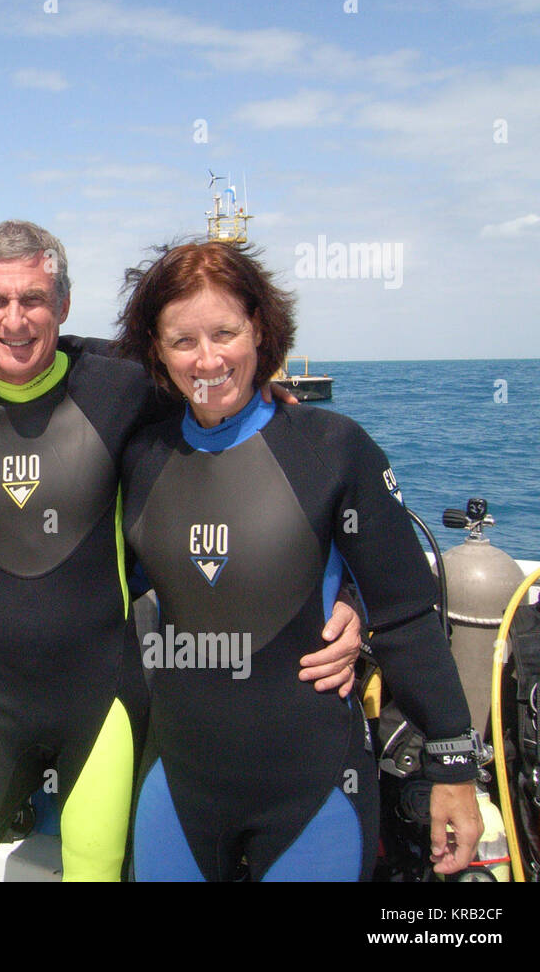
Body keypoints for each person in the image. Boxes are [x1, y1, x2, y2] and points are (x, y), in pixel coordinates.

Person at [0, 222, 364, 881]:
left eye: (34, 298)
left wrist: (351, 596)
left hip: (104, 707)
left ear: (63, 304)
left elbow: (252, 462)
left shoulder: (122, 390)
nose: (15, 319)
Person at [113, 239, 482, 881]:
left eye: (225, 332)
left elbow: (405, 613)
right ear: (155, 347)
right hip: (175, 784)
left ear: (259, 326)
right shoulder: (142, 456)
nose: (207, 360)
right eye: (182, 341)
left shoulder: (333, 448)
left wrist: (453, 769)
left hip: (312, 790)